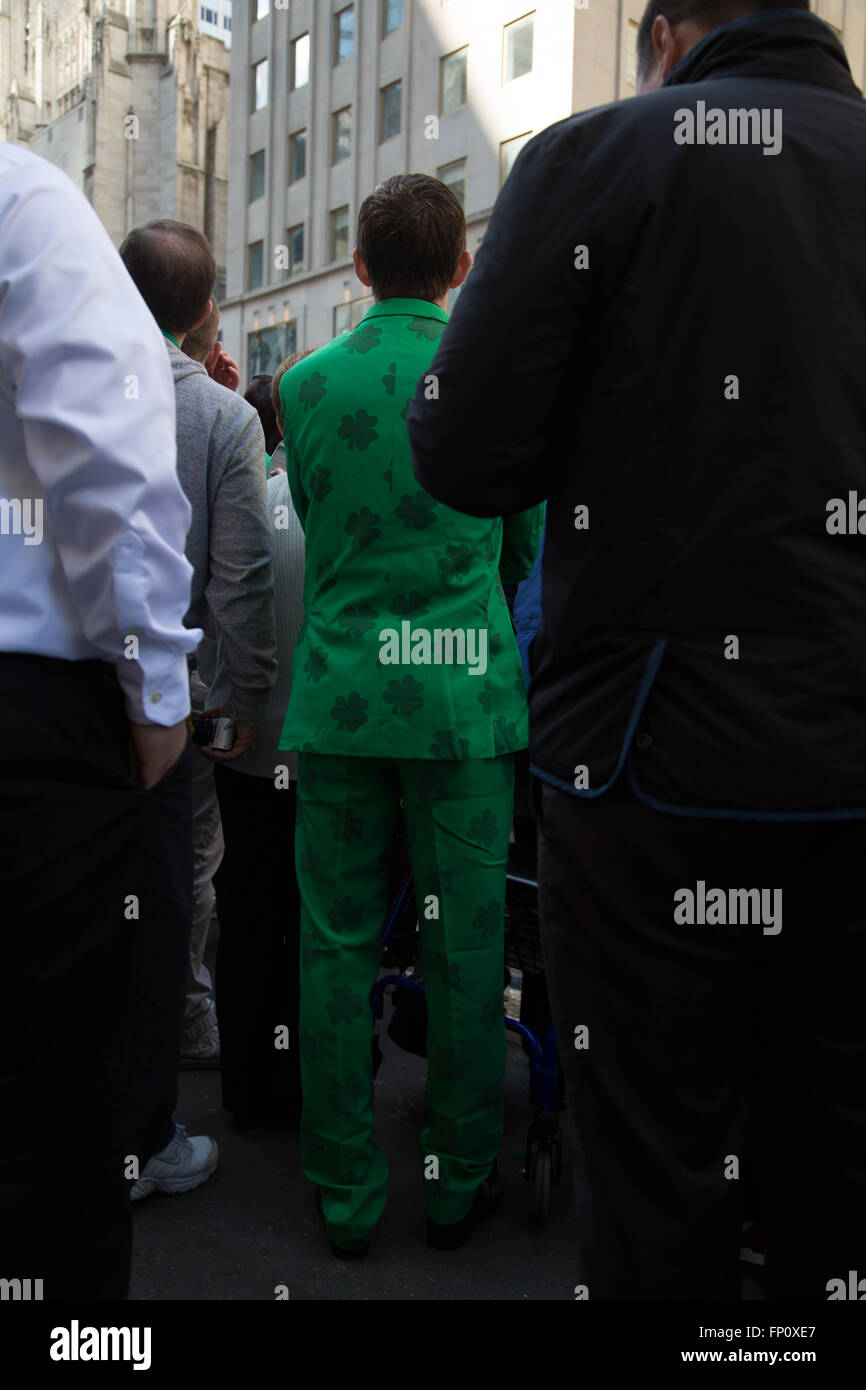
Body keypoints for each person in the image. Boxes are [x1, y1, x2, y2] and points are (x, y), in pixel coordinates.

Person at [407, 0, 866, 1300]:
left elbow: (463, 448)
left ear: (664, 34)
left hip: (654, 760)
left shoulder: (600, 157)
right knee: (839, 1158)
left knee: (660, 1166)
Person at [278, 174, 543, 1258]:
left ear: (354, 265)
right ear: (461, 267)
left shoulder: (302, 384)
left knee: (333, 947)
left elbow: (315, 525)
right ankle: (455, 1181)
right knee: (465, 949)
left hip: (340, 698)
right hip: (457, 708)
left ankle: (343, 1190)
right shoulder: (500, 382)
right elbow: (520, 548)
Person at [0, 144, 201, 1297]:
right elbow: (108, 456)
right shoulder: (24, 198)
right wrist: (156, 698)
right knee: (53, 1137)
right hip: (37, 735)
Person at [120, 219, 278, 1196]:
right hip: (171, 707)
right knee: (175, 889)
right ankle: (160, 1083)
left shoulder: (60, 382)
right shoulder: (225, 422)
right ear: (205, 312)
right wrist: (239, 702)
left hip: (59, 690)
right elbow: (241, 586)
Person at [208, 349, 310, 1127]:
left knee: (247, 912)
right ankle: (313, 1080)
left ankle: (248, 1089)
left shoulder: (259, 504)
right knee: (321, 922)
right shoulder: (351, 517)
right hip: (331, 761)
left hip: (248, 752)